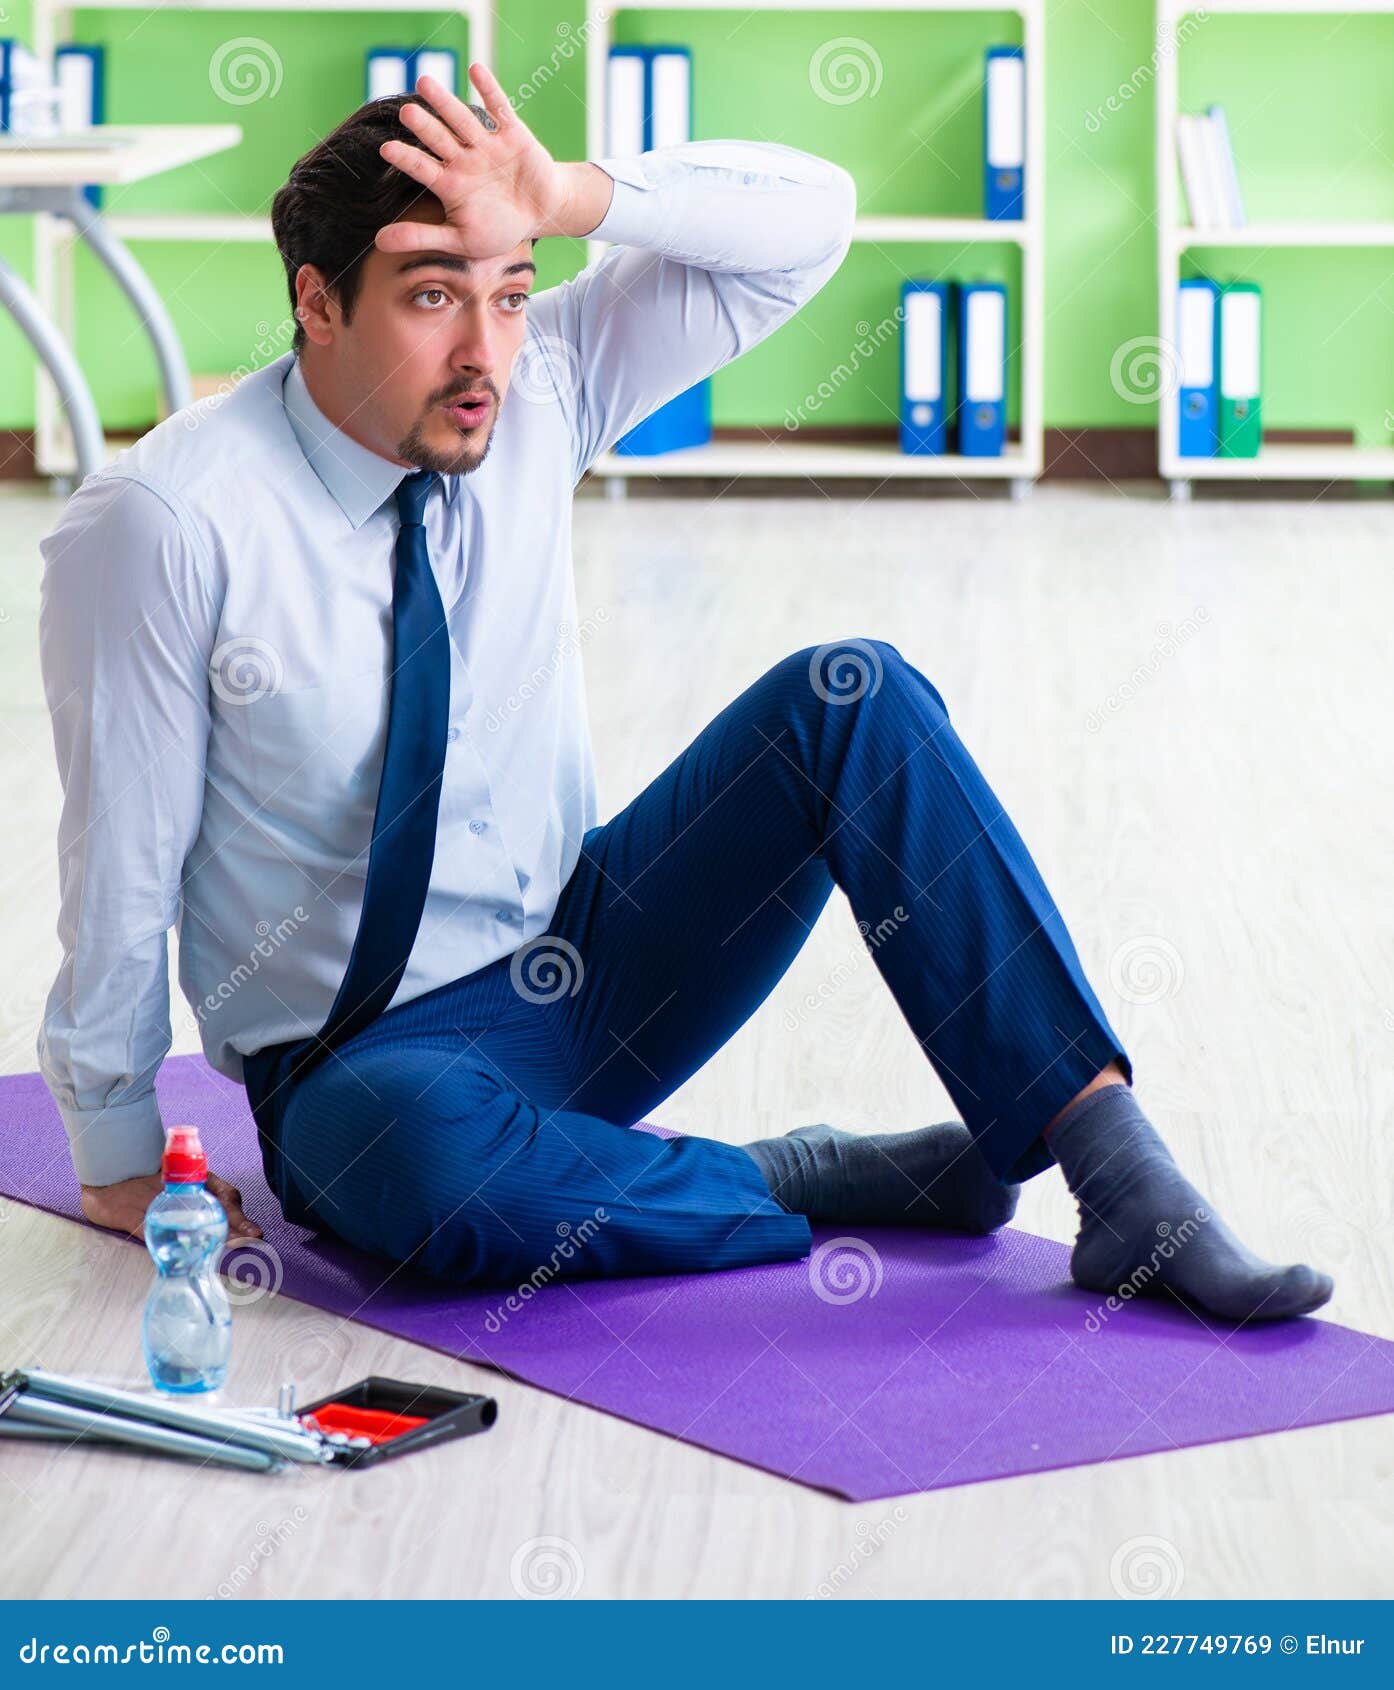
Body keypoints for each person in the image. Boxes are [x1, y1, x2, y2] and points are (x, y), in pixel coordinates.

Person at [37, 67, 1332, 1324]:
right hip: (365, 1066)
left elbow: (808, 223)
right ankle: (795, 1173)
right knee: (434, 1171)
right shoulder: (166, 522)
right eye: (432, 296)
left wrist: (565, 195)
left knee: (852, 697)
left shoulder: (538, 383)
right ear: (316, 302)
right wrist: (119, 1149)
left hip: (587, 959)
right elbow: (122, 857)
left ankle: (1123, 1180)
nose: (484, 351)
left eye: (510, 292)